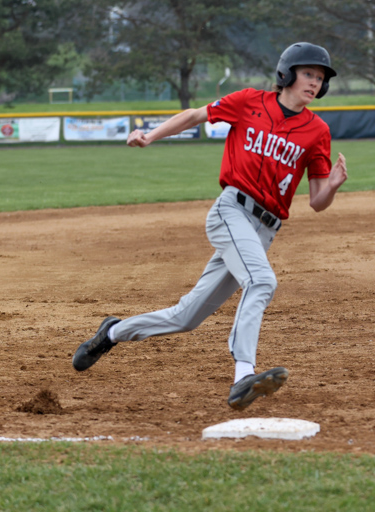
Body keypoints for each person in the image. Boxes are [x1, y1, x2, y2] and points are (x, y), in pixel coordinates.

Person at [71, 42, 348, 410]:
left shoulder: (317, 131)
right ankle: (243, 375)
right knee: (262, 281)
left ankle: (112, 333)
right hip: (231, 211)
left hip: (264, 229)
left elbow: (316, 202)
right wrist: (151, 135)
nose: (314, 82)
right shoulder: (250, 101)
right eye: (309, 73)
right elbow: (194, 116)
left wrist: (331, 186)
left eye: (320, 77)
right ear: (287, 73)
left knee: (186, 316)